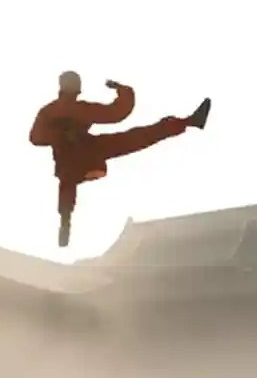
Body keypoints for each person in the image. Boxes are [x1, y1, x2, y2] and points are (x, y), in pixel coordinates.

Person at [29, 71, 211, 246]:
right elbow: (116, 113)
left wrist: (122, 90)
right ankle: (189, 122)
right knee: (137, 138)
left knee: (135, 138)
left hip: (84, 153)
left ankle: (189, 121)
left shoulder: (59, 110)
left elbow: (115, 113)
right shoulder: (60, 111)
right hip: (79, 156)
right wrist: (122, 90)